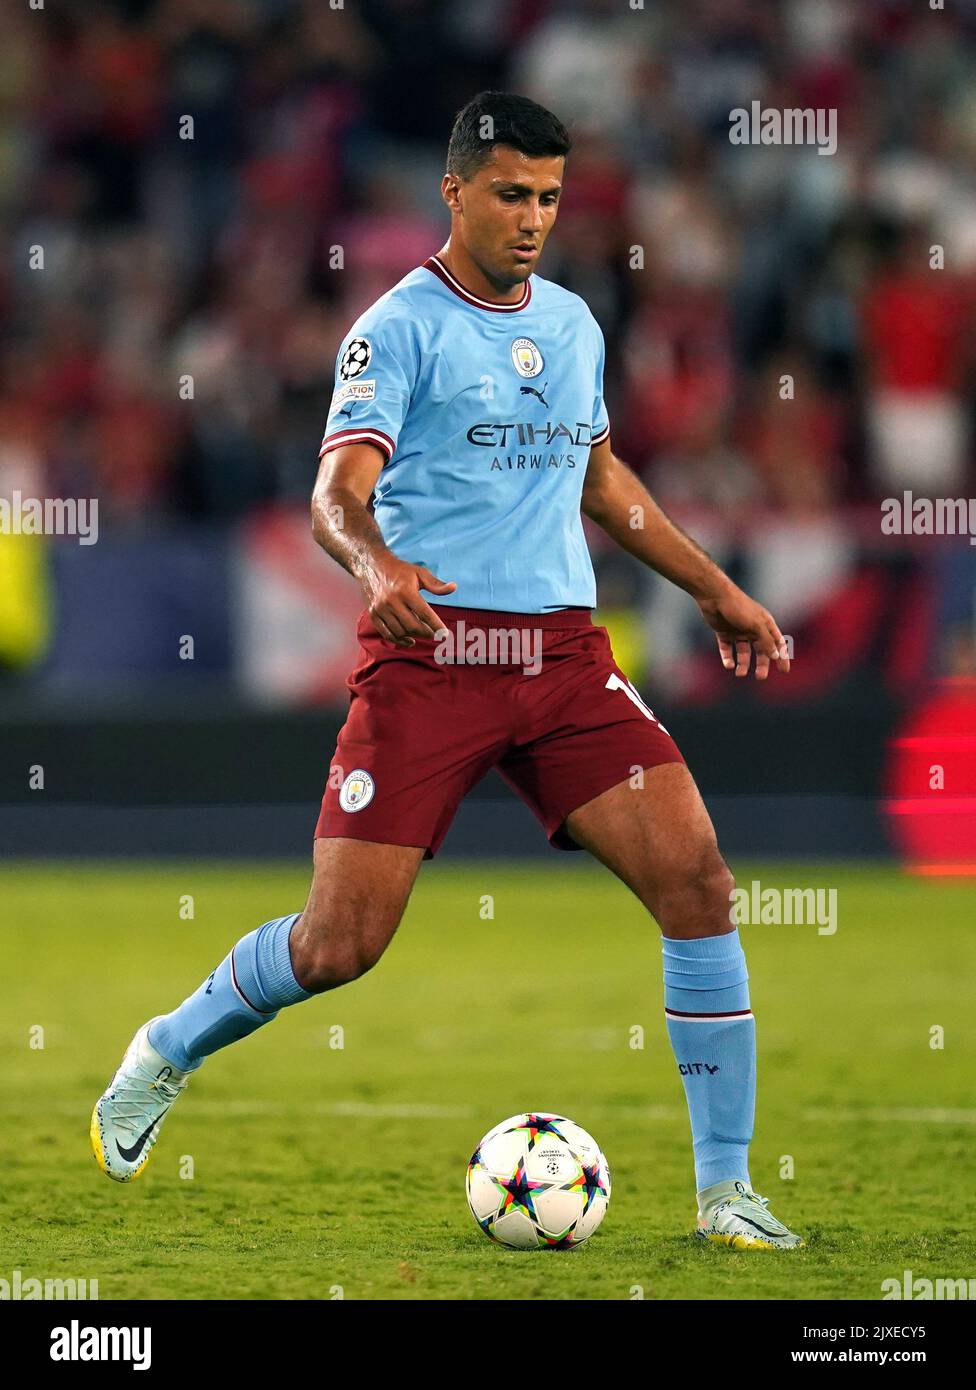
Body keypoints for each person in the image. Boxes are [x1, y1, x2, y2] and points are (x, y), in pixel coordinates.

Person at [92, 92, 801, 1250]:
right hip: (432, 657)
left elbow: (601, 480)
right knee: (338, 947)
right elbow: (335, 493)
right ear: (457, 189)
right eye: (513, 193)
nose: (533, 218)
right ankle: (165, 1048)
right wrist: (372, 567)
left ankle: (724, 1190)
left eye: (551, 198)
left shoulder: (573, 324)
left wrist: (716, 590)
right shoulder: (396, 327)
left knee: (699, 883)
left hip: (561, 657)